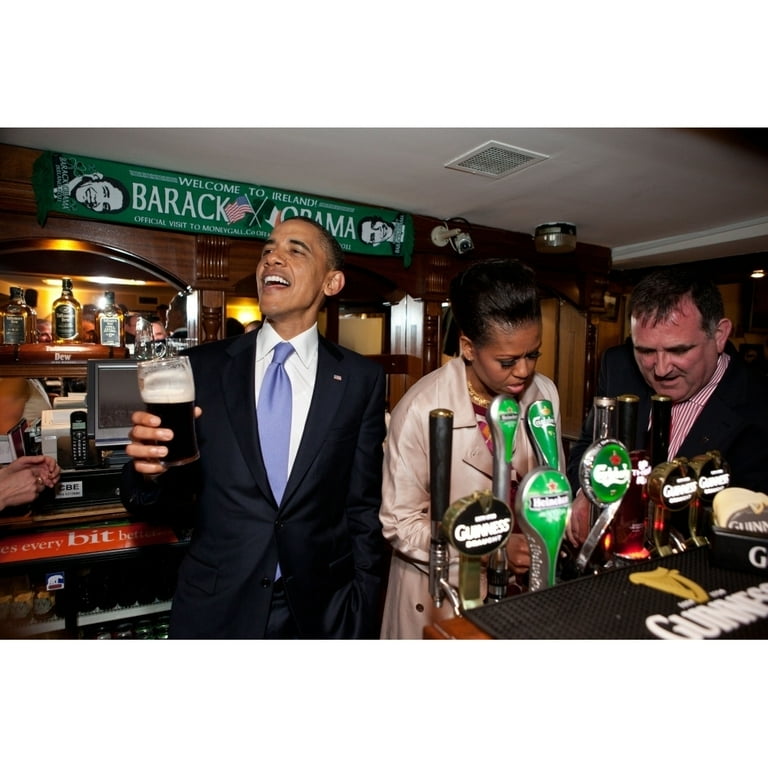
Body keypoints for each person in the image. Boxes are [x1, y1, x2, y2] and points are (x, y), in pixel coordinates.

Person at [120, 217, 388, 639]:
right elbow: (167, 499)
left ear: (332, 282)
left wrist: (364, 608)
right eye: (267, 250)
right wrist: (148, 473)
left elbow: (363, 508)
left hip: (323, 611)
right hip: (218, 606)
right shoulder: (200, 369)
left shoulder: (360, 380)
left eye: (295, 250)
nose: (272, 258)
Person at [379, 258, 565, 639]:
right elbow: (400, 524)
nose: (524, 371)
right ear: (467, 347)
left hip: (524, 590)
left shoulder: (544, 394)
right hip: (441, 596)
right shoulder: (420, 409)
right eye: (507, 361)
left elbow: (550, 484)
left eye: (533, 354)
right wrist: (489, 548)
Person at [565, 267, 768, 547]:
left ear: (720, 335)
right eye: (646, 351)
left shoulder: (757, 404)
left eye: (678, 350)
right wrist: (587, 493)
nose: (661, 369)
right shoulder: (618, 366)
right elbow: (590, 445)